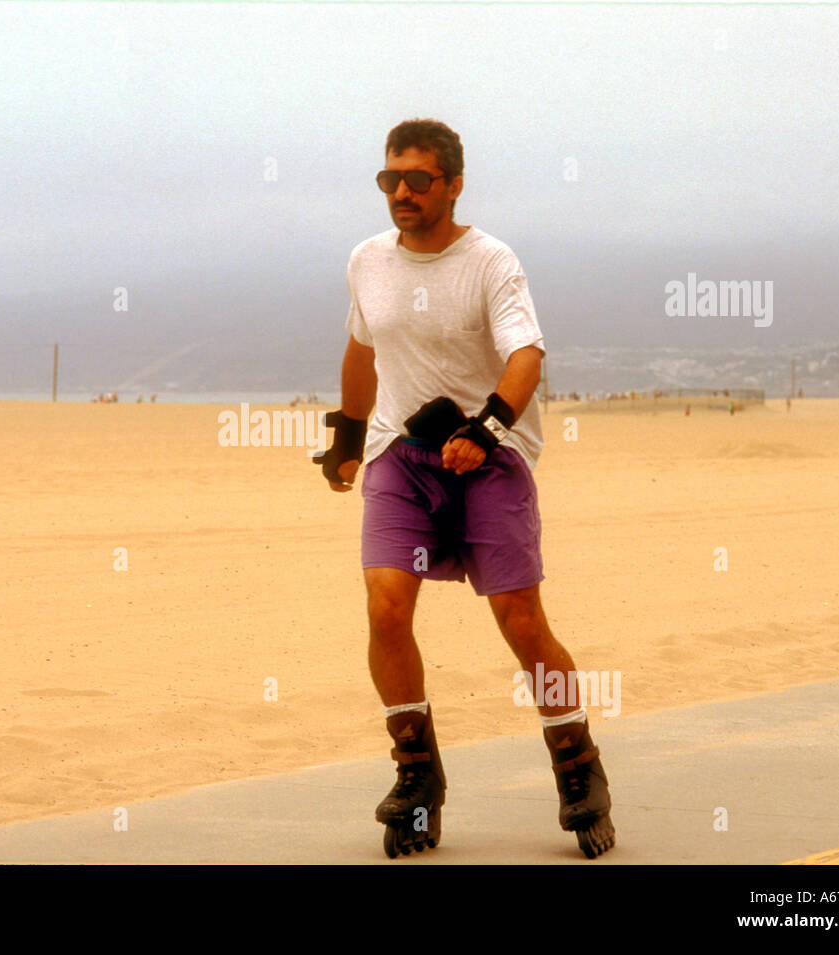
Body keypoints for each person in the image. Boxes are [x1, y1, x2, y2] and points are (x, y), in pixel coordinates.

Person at [313, 118, 613, 859]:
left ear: (452, 183)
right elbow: (360, 346)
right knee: (385, 604)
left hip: (486, 457)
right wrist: (348, 438)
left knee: (519, 618)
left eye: (418, 179)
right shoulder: (367, 261)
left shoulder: (491, 261)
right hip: (400, 457)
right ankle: (417, 777)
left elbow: (526, 356)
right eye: (390, 180)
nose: (402, 192)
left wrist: (486, 430)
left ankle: (578, 765)